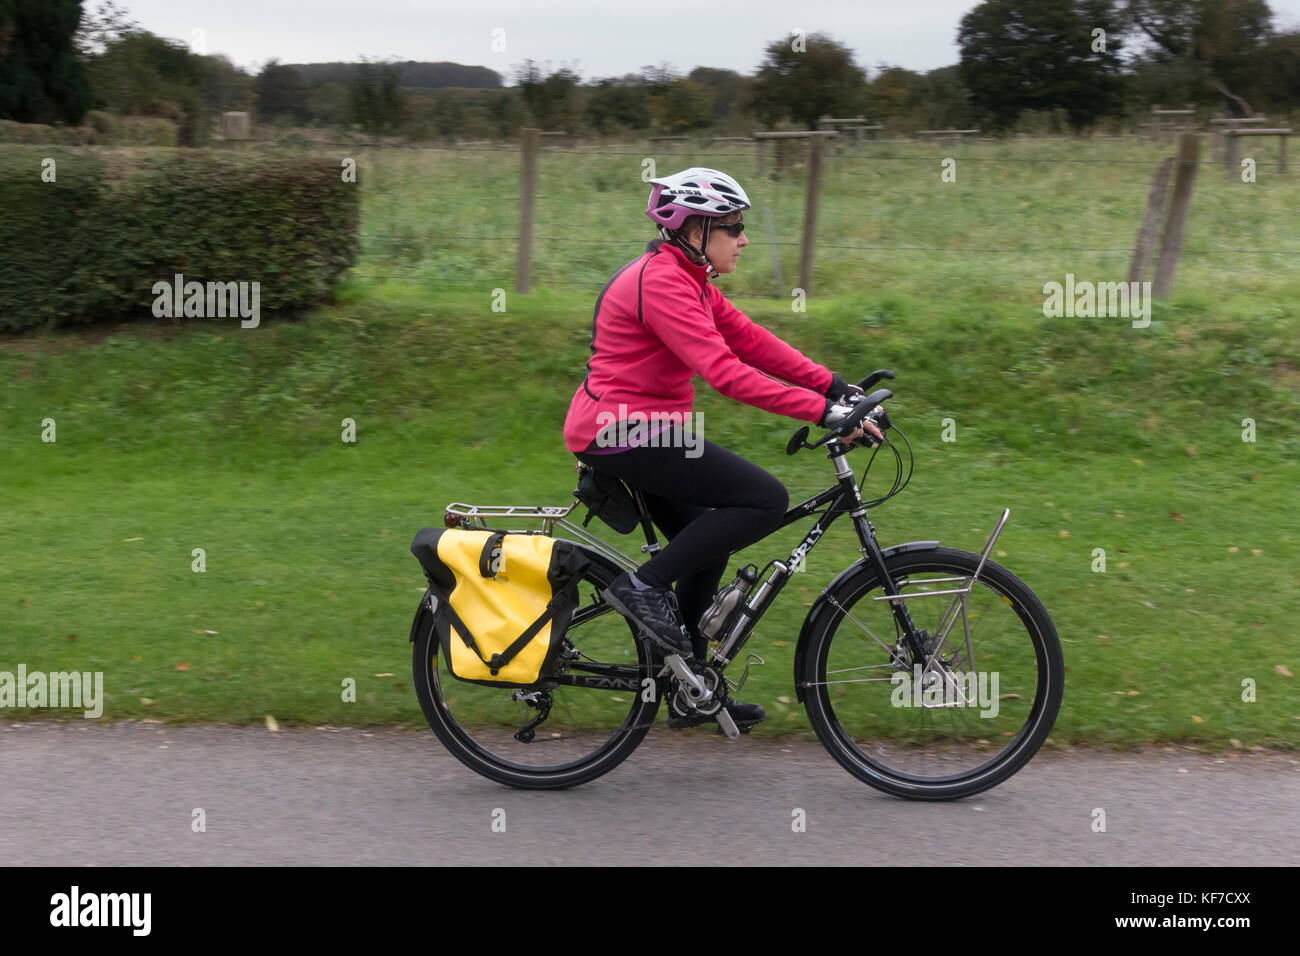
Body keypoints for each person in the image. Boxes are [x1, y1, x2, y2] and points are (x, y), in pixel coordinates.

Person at [561, 167, 881, 731]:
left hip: (649, 429)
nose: (744, 238)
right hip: (619, 431)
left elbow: (750, 340)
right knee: (763, 499)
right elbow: (726, 374)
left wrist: (833, 385)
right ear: (694, 229)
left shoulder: (691, 279)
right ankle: (640, 587)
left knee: (706, 540)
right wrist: (821, 411)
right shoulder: (661, 283)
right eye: (732, 227)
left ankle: (690, 688)